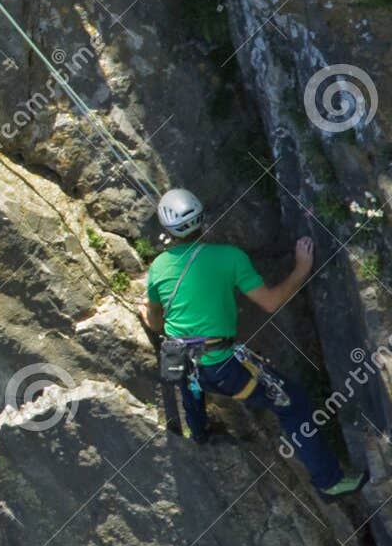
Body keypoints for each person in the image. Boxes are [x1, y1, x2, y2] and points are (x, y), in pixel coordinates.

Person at [142, 187, 365, 498]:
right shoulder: (229, 257)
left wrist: (148, 310)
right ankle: (329, 482)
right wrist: (301, 269)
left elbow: (155, 323)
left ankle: (199, 431)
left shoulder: (158, 268)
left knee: (189, 383)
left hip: (184, 364)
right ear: (202, 220)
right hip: (223, 368)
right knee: (294, 403)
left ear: (166, 229)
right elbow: (271, 302)